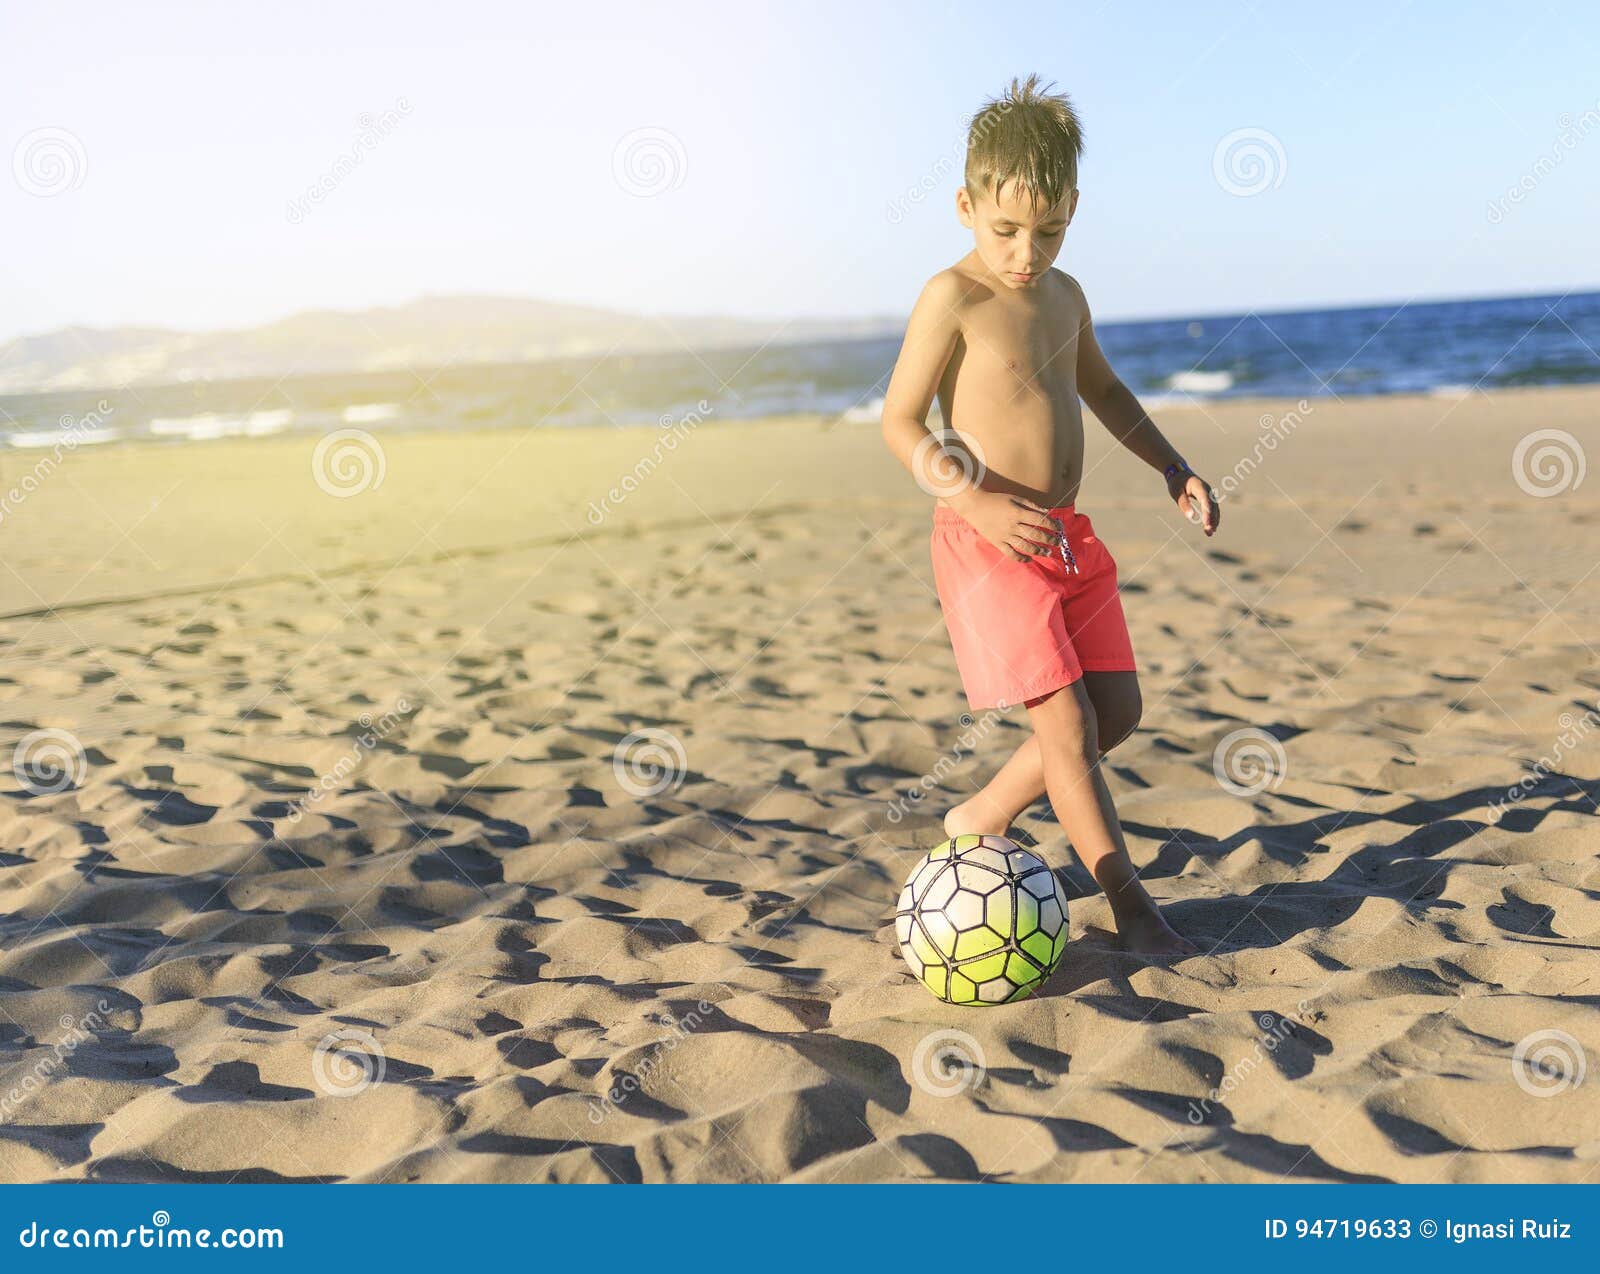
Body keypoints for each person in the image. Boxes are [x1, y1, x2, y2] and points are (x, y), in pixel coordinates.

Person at [880, 75, 1222, 956]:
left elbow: (1102, 388)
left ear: (1073, 208)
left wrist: (1171, 466)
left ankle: (981, 813)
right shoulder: (951, 297)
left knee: (1116, 710)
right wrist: (972, 496)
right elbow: (902, 420)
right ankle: (1131, 905)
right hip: (989, 537)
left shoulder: (1066, 296)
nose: (1026, 252)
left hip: (1067, 535)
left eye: (1049, 230)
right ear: (965, 204)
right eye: (1005, 230)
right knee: (1064, 728)